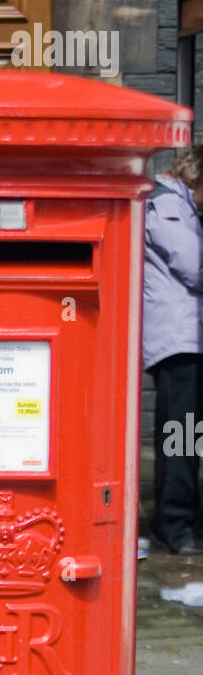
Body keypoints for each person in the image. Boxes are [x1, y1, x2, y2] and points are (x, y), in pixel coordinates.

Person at [142, 146, 203, 554]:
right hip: (179, 344)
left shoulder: (178, 207)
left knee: (181, 435)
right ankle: (176, 524)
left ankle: (176, 518)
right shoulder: (166, 207)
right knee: (182, 435)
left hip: (183, 340)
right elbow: (196, 265)